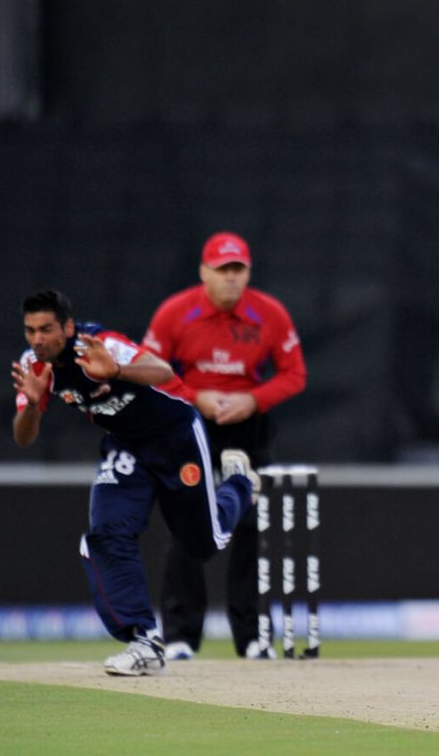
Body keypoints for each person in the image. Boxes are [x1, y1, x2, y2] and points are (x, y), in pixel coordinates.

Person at [11, 288, 258, 676]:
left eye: (46, 329)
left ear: (68, 327)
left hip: (175, 438)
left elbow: (163, 371)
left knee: (204, 543)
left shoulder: (101, 344)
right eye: (30, 331)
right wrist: (33, 409)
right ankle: (144, 639)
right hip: (127, 448)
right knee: (108, 533)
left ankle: (240, 483)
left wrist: (116, 371)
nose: (38, 340)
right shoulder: (33, 366)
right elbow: (23, 437)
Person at [142, 232, 307, 660]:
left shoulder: (269, 314)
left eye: (239, 271)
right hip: (189, 423)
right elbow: (146, 370)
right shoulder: (175, 313)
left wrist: (252, 399)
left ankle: (251, 637)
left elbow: (294, 374)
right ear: (204, 272)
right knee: (186, 525)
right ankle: (179, 635)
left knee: (253, 526)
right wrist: (195, 396)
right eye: (223, 271)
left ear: (248, 273)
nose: (232, 280)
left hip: (246, 428)